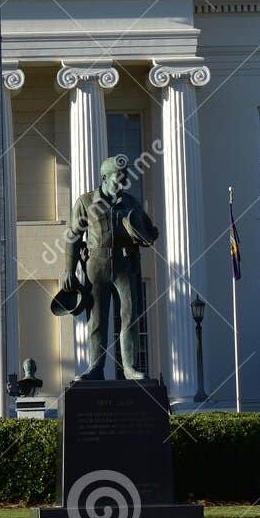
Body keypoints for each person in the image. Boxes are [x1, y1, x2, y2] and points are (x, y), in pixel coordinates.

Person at [62, 155, 159, 380]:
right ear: (104, 178)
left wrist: (148, 234)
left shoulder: (131, 203)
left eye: (124, 179)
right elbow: (73, 237)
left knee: (130, 316)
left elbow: (147, 230)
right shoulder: (86, 202)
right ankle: (95, 368)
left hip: (126, 264)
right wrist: (69, 269)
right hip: (96, 266)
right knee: (97, 319)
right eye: (117, 179)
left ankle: (129, 368)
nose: (121, 184)